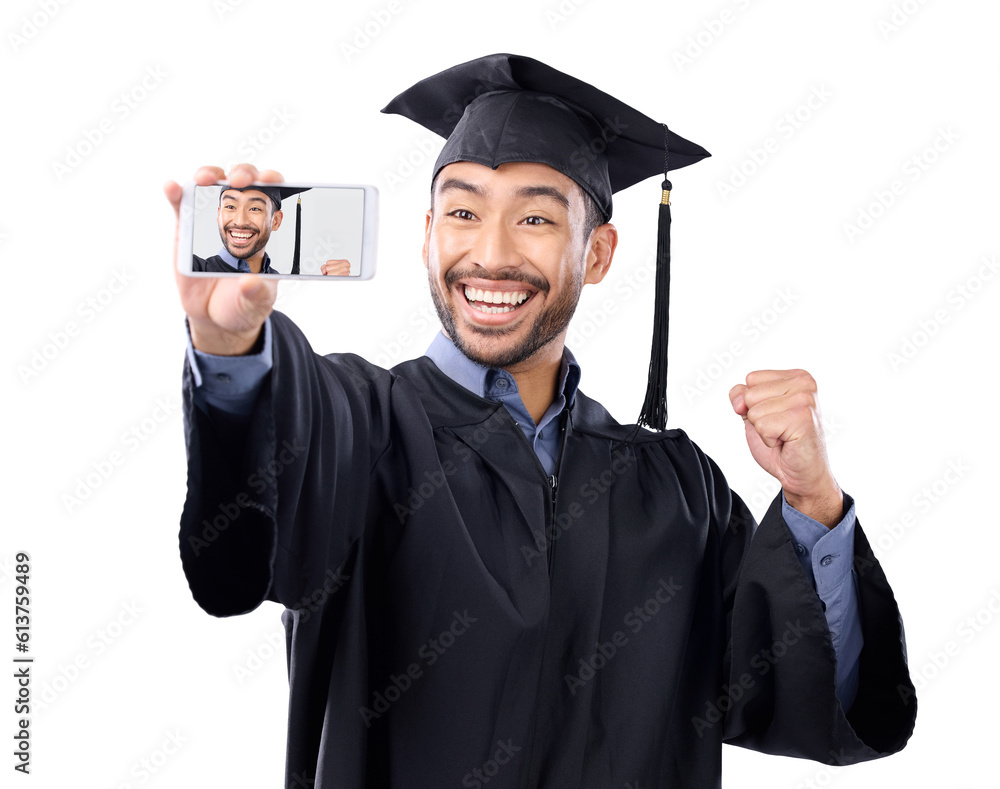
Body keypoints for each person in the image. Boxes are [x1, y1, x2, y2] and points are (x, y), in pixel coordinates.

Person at [167, 54, 915, 788]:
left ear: (598, 253)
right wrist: (230, 350)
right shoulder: (361, 426)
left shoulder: (677, 492)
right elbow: (238, 553)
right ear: (427, 234)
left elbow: (812, 702)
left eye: (533, 218)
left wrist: (814, 501)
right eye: (462, 212)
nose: (489, 254)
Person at [192, 185, 351, 276]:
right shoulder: (191, 269)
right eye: (230, 207)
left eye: (254, 208)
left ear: (276, 221)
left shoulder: (283, 285)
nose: (240, 221)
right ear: (219, 214)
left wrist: (332, 290)